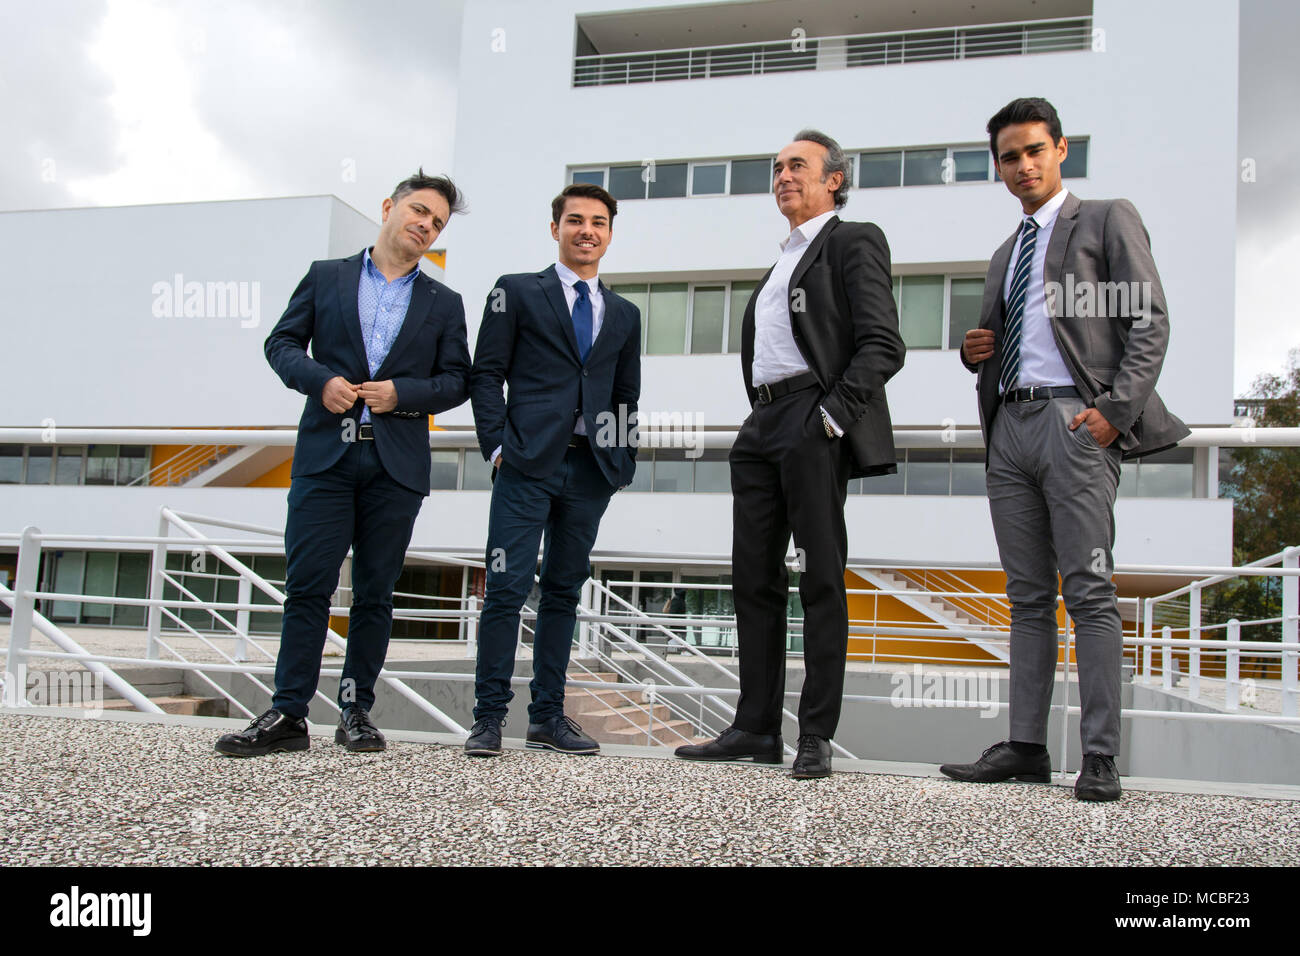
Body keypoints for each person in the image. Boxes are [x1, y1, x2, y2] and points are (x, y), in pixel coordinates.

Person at [940, 98, 1188, 801]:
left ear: (1061, 150)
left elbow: (1149, 318)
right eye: (1009, 157)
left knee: (1089, 592)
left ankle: (1100, 756)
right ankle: (1025, 746)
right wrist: (971, 351)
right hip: (1008, 430)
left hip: (1074, 425)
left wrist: (1112, 413)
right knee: (1024, 596)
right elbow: (1000, 339)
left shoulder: (1106, 218)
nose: (1022, 166)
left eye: (1033, 151)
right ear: (998, 167)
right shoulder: (1003, 252)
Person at [215, 170, 471, 757]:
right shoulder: (325, 276)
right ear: (389, 206)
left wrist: (402, 394)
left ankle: (356, 712)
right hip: (325, 458)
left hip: (397, 466)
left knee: (376, 594)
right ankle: (288, 714)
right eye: (420, 211)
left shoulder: (444, 302)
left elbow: (458, 379)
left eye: (437, 222)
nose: (426, 225)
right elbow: (281, 345)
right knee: (308, 587)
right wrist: (320, 380)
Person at [674, 130, 905, 779]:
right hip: (761, 426)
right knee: (753, 578)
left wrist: (830, 416)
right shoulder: (781, 261)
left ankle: (815, 734)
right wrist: (764, 416)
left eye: (796, 166)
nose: (782, 176)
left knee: (822, 580)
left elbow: (883, 344)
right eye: (776, 168)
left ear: (834, 179)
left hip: (812, 417)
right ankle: (753, 727)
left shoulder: (851, 241)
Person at [463, 183, 640, 758]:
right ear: (555, 228)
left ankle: (547, 717)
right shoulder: (515, 292)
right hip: (525, 467)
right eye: (575, 220)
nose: (587, 230)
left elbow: (624, 395)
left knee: (564, 592)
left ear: (610, 233)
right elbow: (486, 375)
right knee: (507, 589)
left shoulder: (625, 313)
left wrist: (620, 464)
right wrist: (496, 448)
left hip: (589, 472)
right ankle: (488, 719)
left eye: (598, 222)